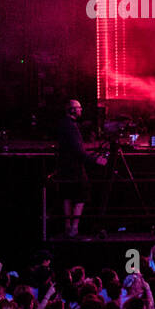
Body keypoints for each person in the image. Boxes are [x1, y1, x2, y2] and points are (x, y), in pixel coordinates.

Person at [56, 99, 107, 238]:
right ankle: (74, 227)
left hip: (64, 166)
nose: (81, 110)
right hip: (74, 167)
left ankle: (67, 226)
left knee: (67, 195)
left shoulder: (63, 124)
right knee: (81, 195)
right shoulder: (71, 127)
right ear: (72, 110)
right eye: (79, 108)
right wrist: (96, 159)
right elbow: (78, 151)